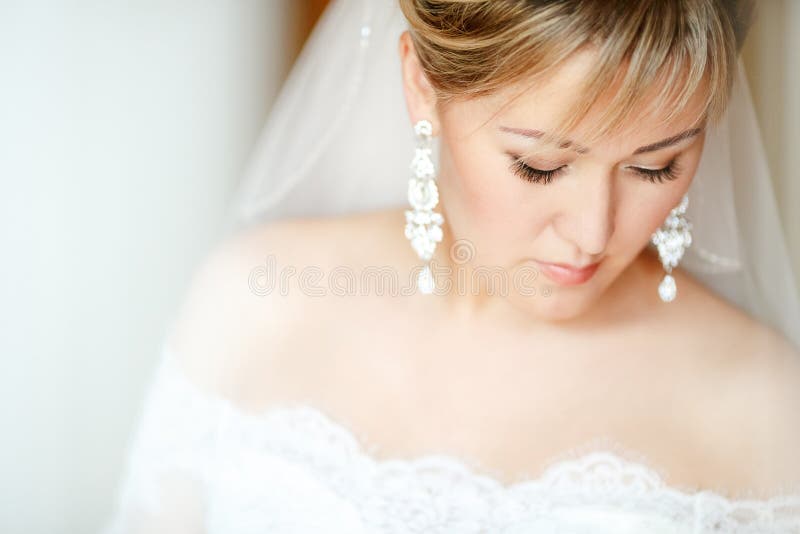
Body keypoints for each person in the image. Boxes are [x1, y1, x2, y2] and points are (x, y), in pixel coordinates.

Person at [102, 0, 800, 532]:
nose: (593, 232)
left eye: (657, 167)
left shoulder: (762, 404)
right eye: (541, 165)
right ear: (421, 86)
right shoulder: (255, 299)